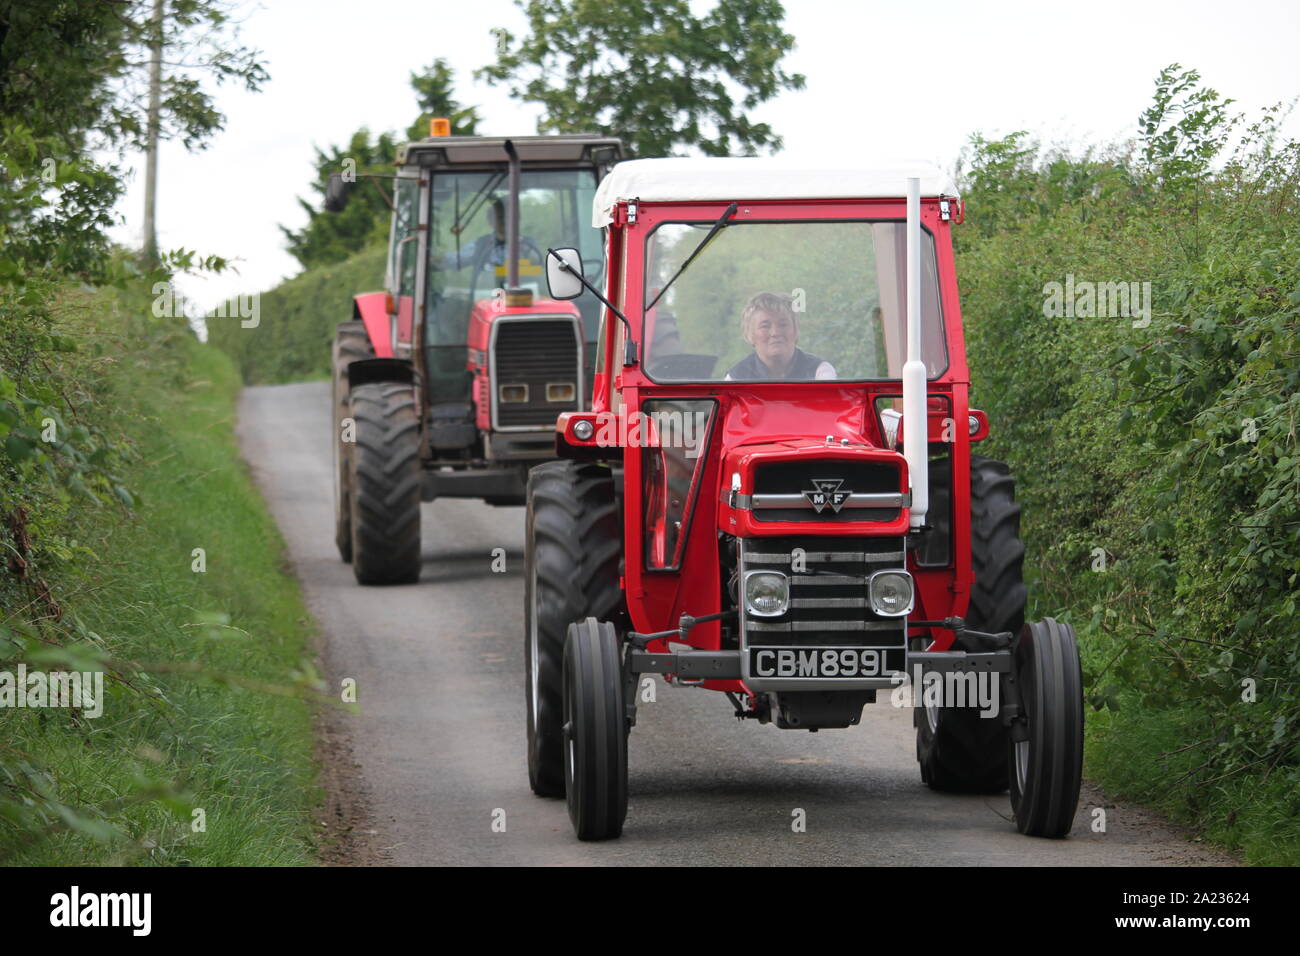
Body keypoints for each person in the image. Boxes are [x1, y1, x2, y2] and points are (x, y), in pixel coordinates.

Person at [724, 291, 836, 380]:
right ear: (750, 335)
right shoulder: (735, 378)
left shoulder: (820, 372)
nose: (775, 333)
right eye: (765, 326)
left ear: (796, 331)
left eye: (783, 325)